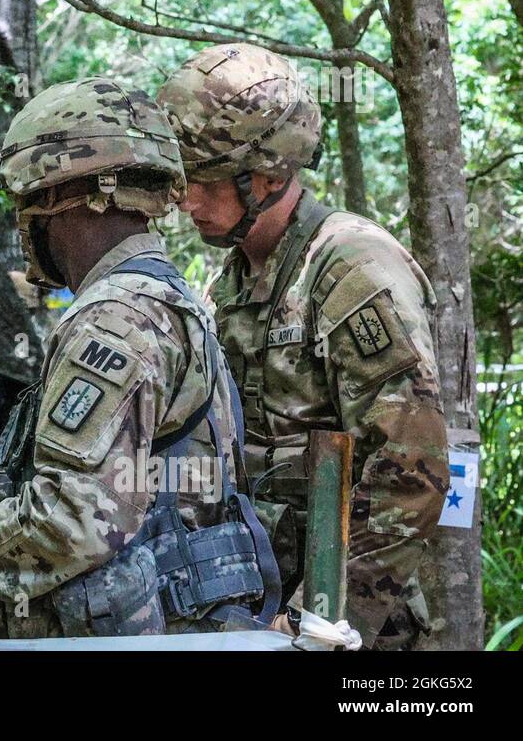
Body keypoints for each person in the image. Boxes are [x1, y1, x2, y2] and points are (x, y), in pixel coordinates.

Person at [0, 79, 277, 638]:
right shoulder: (168, 298)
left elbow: (73, 519)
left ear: (55, 199)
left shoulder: (115, 317)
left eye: (26, 202)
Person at [158, 43, 449, 649]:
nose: (187, 201)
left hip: (344, 629)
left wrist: (319, 619)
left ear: (266, 177)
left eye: (204, 181)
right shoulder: (234, 278)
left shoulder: (352, 269)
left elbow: (411, 474)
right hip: (254, 608)